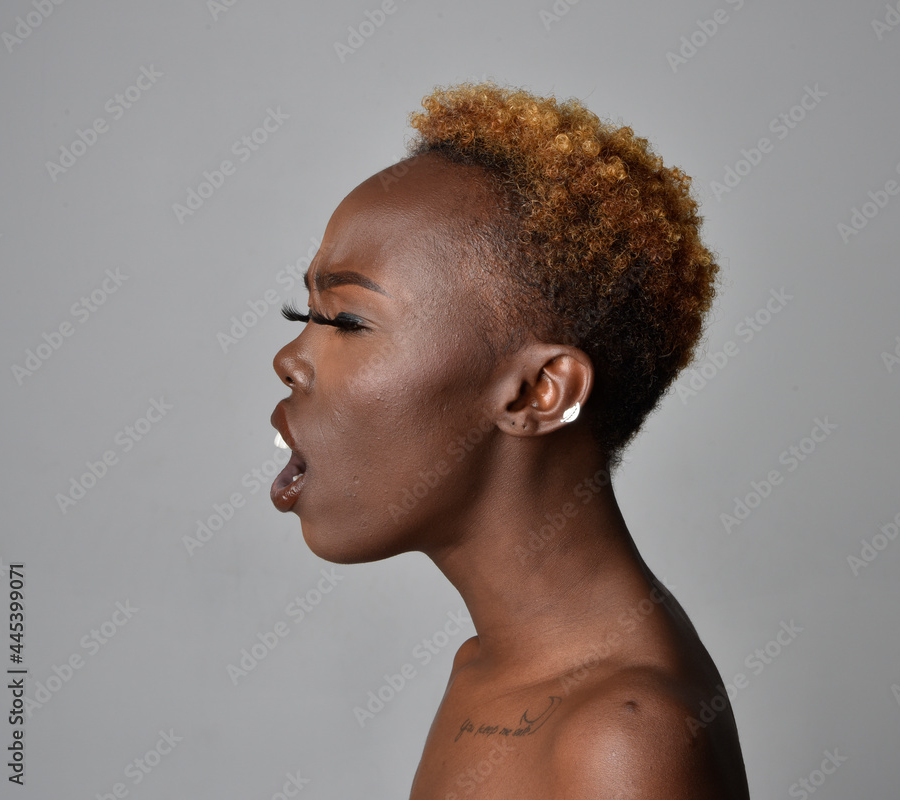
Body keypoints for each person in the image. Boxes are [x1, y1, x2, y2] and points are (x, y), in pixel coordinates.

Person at [269, 81, 750, 798]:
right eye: (299, 313)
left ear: (536, 393)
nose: (289, 360)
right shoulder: (491, 671)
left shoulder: (623, 738)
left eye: (346, 323)